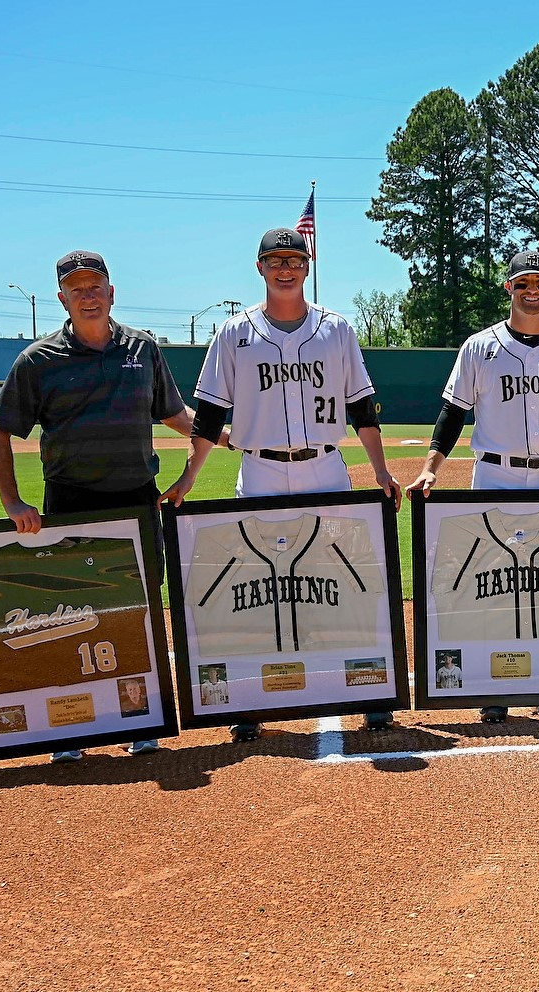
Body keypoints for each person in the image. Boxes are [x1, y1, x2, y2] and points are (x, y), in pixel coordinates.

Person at [163, 227, 404, 742]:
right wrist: (189, 475)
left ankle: (369, 687)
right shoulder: (235, 332)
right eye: (276, 260)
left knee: (346, 577)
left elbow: (361, 407)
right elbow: (208, 414)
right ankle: (251, 698)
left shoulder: (336, 329)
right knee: (262, 585)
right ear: (260, 267)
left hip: (325, 466)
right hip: (262, 468)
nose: (286, 268)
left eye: (295, 259)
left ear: (307, 265)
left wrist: (380, 469)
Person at [0, 249, 196, 762]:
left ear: (112, 291)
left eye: (95, 285)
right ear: (63, 298)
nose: (87, 295)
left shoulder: (142, 350)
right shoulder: (37, 361)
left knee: (137, 612)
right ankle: (73, 725)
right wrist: (12, 501)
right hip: (71, 503)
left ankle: (140, 717)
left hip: (136, 500)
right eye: (76, 288)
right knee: (73, 615)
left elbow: (174, 414)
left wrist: (227, 437)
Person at [408, 248, 539, 722]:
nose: (532, 291)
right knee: (493, 583)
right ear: (508, 288)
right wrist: (431, 468)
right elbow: (454, 412)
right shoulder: (479, 347)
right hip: (495, 474)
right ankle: (495, 685)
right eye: (523, 283)